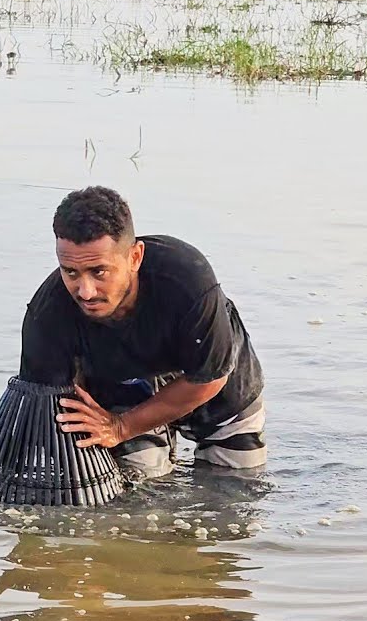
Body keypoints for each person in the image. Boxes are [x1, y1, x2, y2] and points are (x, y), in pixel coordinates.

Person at [18, 186, 266, 480]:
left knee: (235, 490)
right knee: (139, 487)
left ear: (135, 257)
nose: (84, 292)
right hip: (124, 391)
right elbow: (48, 406)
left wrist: (121, 427)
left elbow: (211, 377)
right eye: (70, 272)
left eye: (99, 272)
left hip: (216, 385)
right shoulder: (47, 315)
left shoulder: (189, 283)